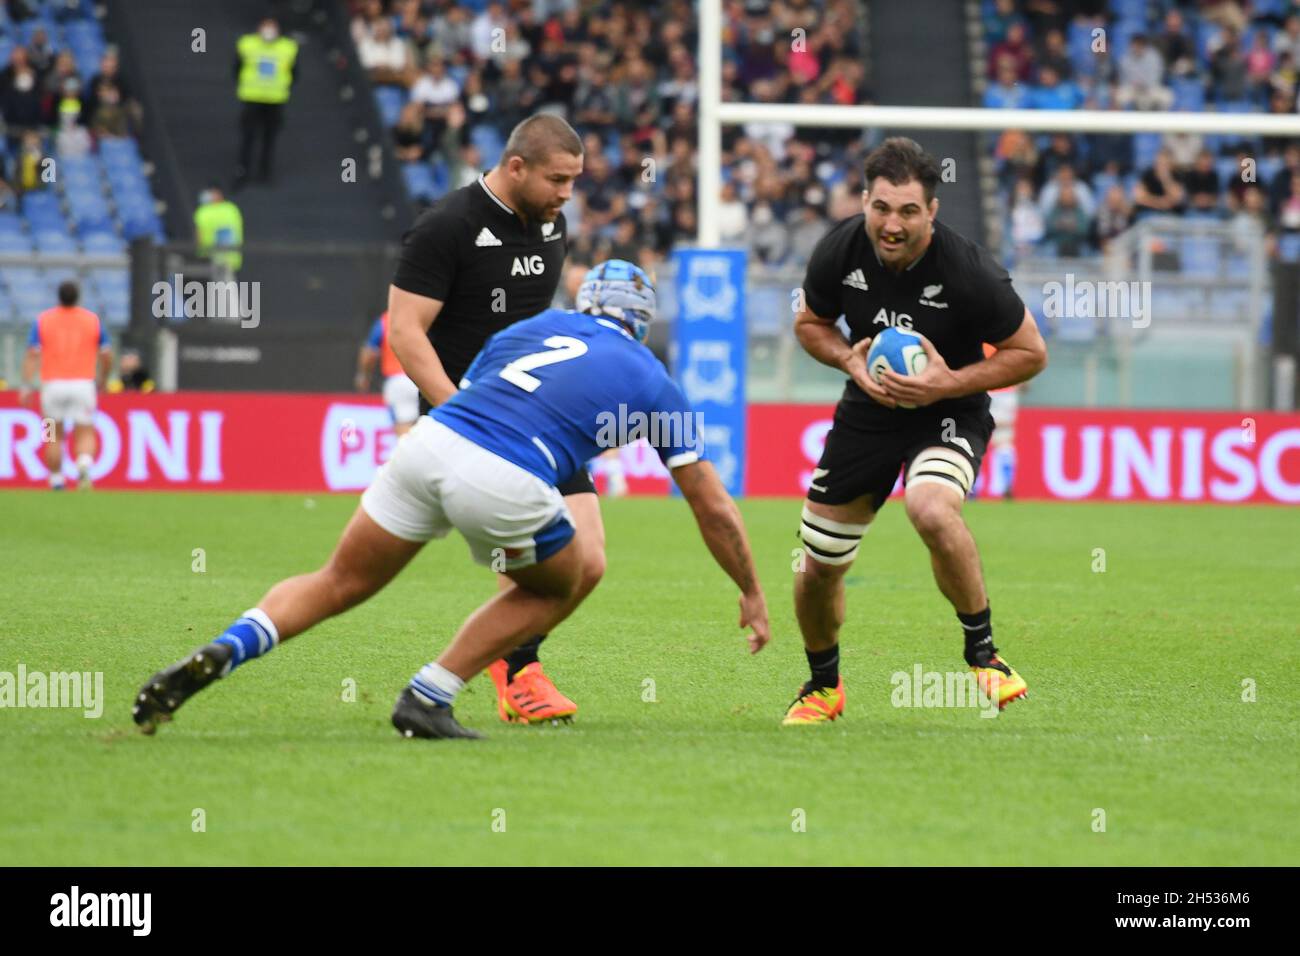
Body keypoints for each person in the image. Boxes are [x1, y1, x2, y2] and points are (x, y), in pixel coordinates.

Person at [131, 261, 771, 740]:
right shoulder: (654, 381)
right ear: (642, 319)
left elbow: (485, 394)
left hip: (428, 443)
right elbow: (710, 505)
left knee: (339, 580)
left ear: (584, 302)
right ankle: (430, 694)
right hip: (504, 476)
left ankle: (230, 644)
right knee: (566, 579)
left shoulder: (535, 327)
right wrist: (750, 587)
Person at [786, 137, 1048, 724]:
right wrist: (851, 362)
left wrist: (945, 383)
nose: (892, 224)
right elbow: (810, 323)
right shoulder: (838, 251)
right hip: (868, 411)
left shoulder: (970, 271)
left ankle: (983, 653)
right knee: (818, 563)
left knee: (930, 508)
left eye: (908, 211)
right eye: (881, 208)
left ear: (931, 212)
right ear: (864, 202)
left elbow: (1030, 353)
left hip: (948, 409)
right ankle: (823, 687)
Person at [386, 113, 590, 725]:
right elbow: (404, 330)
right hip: (471, 423)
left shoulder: (551, 225)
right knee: (353, 578)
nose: (566, 195)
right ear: (516, 166)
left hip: (539, 417)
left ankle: (514, 664)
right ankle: (514, 671)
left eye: (575, 182)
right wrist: (457, 410)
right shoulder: (446, 225)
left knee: (591, 558)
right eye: (558, 179)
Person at [18, 281, 113, 491]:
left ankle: (56, 479)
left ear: (58, 297)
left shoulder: (44, 320)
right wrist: (103, 378)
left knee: (51, 433)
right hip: (82, 384)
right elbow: (106, 354)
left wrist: (26, 385)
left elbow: (32, 354)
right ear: (77, 297)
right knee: (85, 430)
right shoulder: (91, 320)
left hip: (52, 386)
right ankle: (84, 464)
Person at [232, 16, 298, 186]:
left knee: (270, 138)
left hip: (275, 99)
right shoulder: (247, 44)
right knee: (248, 136)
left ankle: (265, 173)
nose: (269, 30)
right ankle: (243, 171)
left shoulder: (288, 47)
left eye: (272, 26)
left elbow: (295, 73)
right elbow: (236, 68)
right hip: (252, 97)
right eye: (265, 26)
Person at [357, 311, 420, 437]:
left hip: (398, 380)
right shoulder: (420, 317)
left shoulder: (385, 321)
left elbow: (370, 353)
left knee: (404, 430)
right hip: (422, 378)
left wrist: (364, 375)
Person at [193, 183, 243, 277]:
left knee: (223, 287)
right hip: (212, 259)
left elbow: (199, 235)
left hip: (221, 259)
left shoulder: (228, 209)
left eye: (211, 192)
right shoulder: (231, 208)